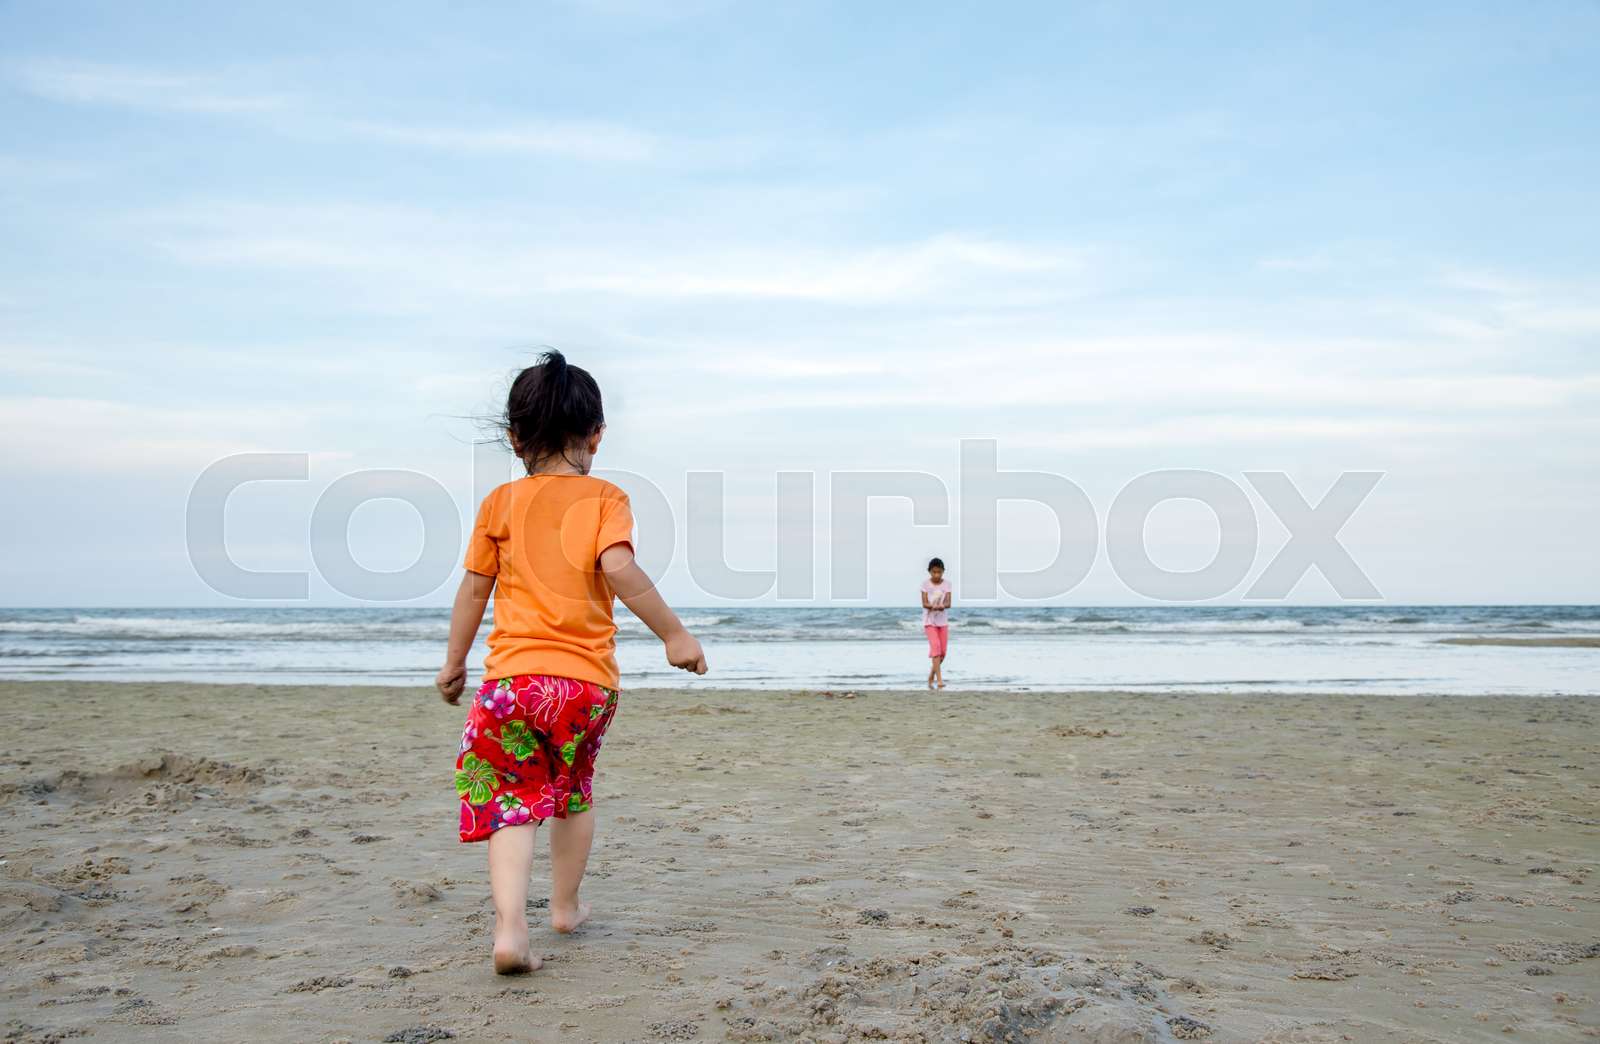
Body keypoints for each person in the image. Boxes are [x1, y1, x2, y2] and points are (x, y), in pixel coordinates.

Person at [435, 350, 707, 976]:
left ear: (513, 437)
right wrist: (675, 636)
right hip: (585, 688)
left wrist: (454, 663)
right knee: (572, 794)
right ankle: (565, 907)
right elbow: (619, 568)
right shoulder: (606, 497)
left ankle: (510, 929)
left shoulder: (499, 503)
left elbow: (475, 590)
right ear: (597, 434)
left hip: (510, 683)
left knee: (509, 798)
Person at [920, 557, 951, 689]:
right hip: (929, 622)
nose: (937, 575)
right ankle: (939, 680)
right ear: (930, 572)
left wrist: (942, 606)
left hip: (942, 622)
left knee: (943, 652)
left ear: (943, 571)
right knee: (936, 649)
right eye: (934, 572)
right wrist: (932, 606)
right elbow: (924, 603)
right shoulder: (925, 585)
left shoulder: (947, 584)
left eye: (939, 572)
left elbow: (948, 603)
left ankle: (931, 674)